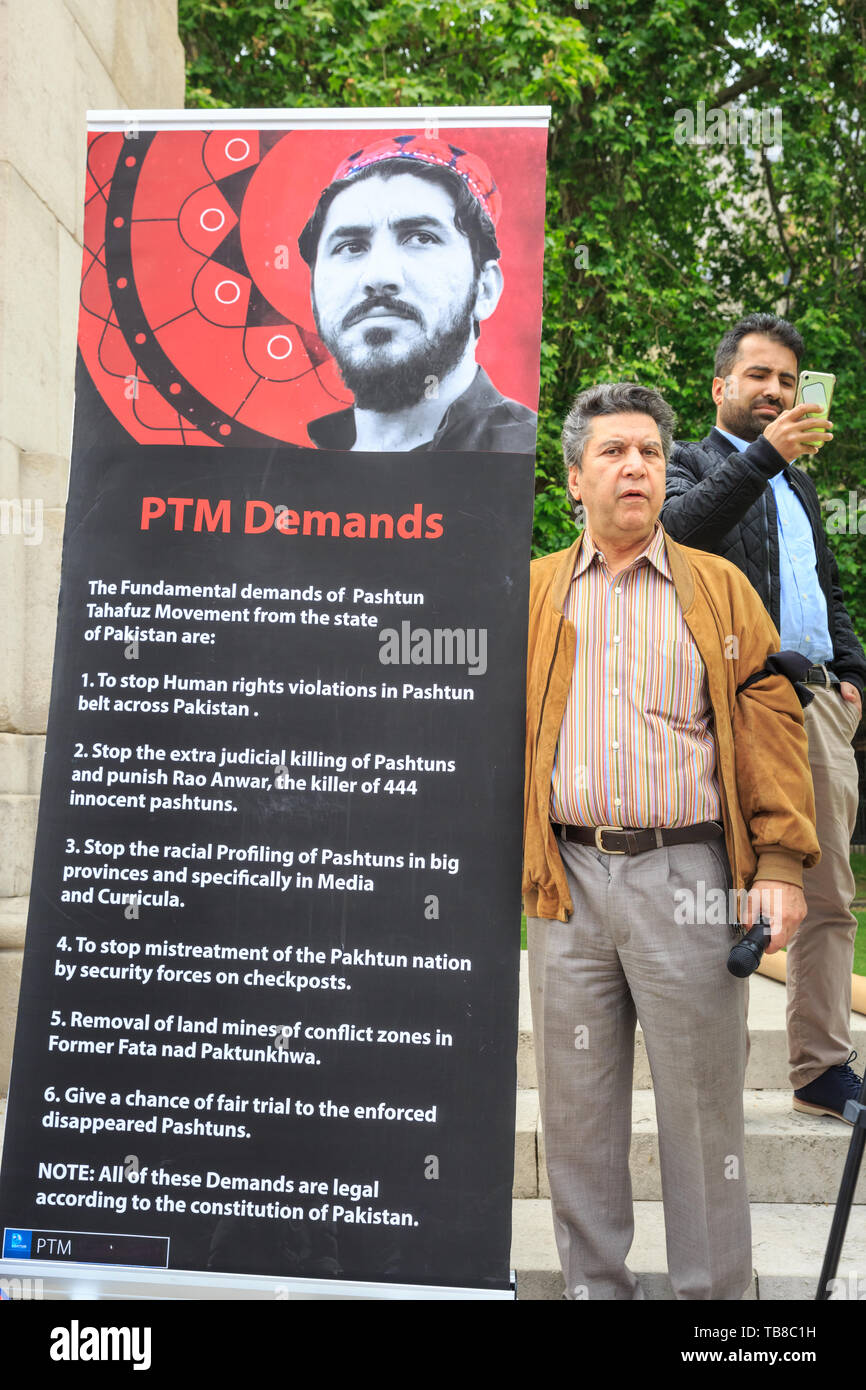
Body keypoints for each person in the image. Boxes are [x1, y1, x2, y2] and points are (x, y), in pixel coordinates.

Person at [524, 381, 819, 1300]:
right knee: (575, 1113)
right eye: (613, 452)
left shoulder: (718, 589)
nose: (637, 467)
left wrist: (776, 865)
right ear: (575, 479)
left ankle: (715, 1308)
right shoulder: (531, 592)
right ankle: (594, 1291)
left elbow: (772, 727)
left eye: (650, 452)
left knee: (702, 1117)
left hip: (686, 874)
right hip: (566, 881)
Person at [661, 314, 866, 1123]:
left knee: (828, 896)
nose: (776, 391)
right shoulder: (686, 461)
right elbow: (681, 531)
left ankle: (821, 1068)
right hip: (729, 702)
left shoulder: (802, 484)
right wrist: (767, 454)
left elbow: (827, 587)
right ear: (722, 387)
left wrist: (852, 674)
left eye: (787, 379)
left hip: (817, 706)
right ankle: (712, 1079)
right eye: (758, 377)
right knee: (721, 892)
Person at [297, 135, 537, 453]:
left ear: (485, 289)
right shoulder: (282, 472)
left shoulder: (527, 455)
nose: (378, 276)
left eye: (421, 238)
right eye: (350, 246)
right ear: (313, 292)